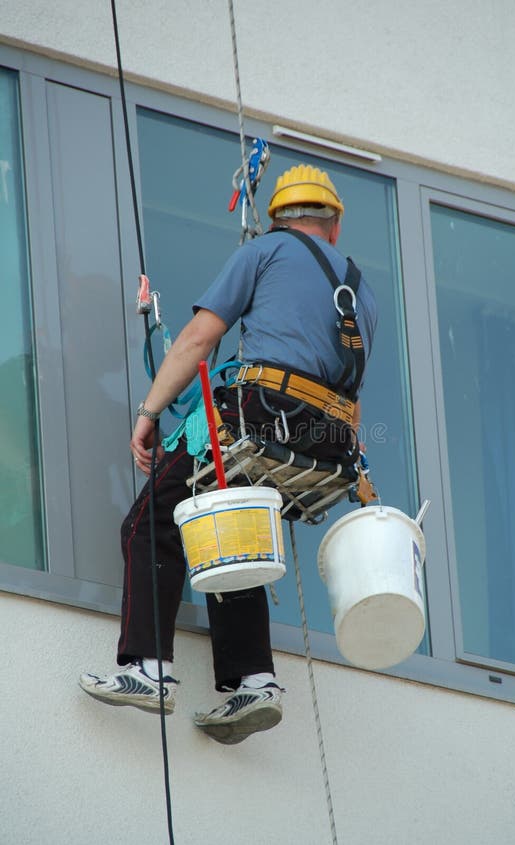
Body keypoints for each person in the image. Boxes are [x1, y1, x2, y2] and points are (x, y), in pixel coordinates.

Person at [79, 164, 378, 744]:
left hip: (262, 414)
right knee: (228, 531)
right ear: (334, 225)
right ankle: (255, 679)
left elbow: (197, 340)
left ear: (277, 221)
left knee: (149, 522)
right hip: (329, 438)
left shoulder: (263, 254)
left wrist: (147, 413)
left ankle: (148, 669)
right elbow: (352, 389)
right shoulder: (363, 293)